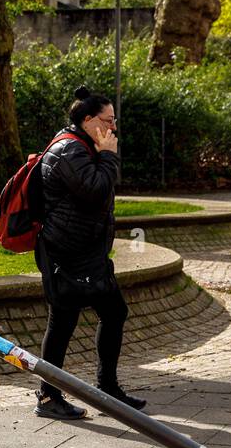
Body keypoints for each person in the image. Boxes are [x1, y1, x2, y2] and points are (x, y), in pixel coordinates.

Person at [32, 86, 146, 420]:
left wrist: (104, 154)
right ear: (87, 119)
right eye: (108, 120)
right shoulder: (70, 150)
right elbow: (95, 191)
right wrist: (109, 156)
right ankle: (48, 397)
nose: (113, 127)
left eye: (114, 121)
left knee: (114, 312)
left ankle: (107, 388)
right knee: (62, 324)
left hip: (87, 253)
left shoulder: (81, 146)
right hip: (66, 254)